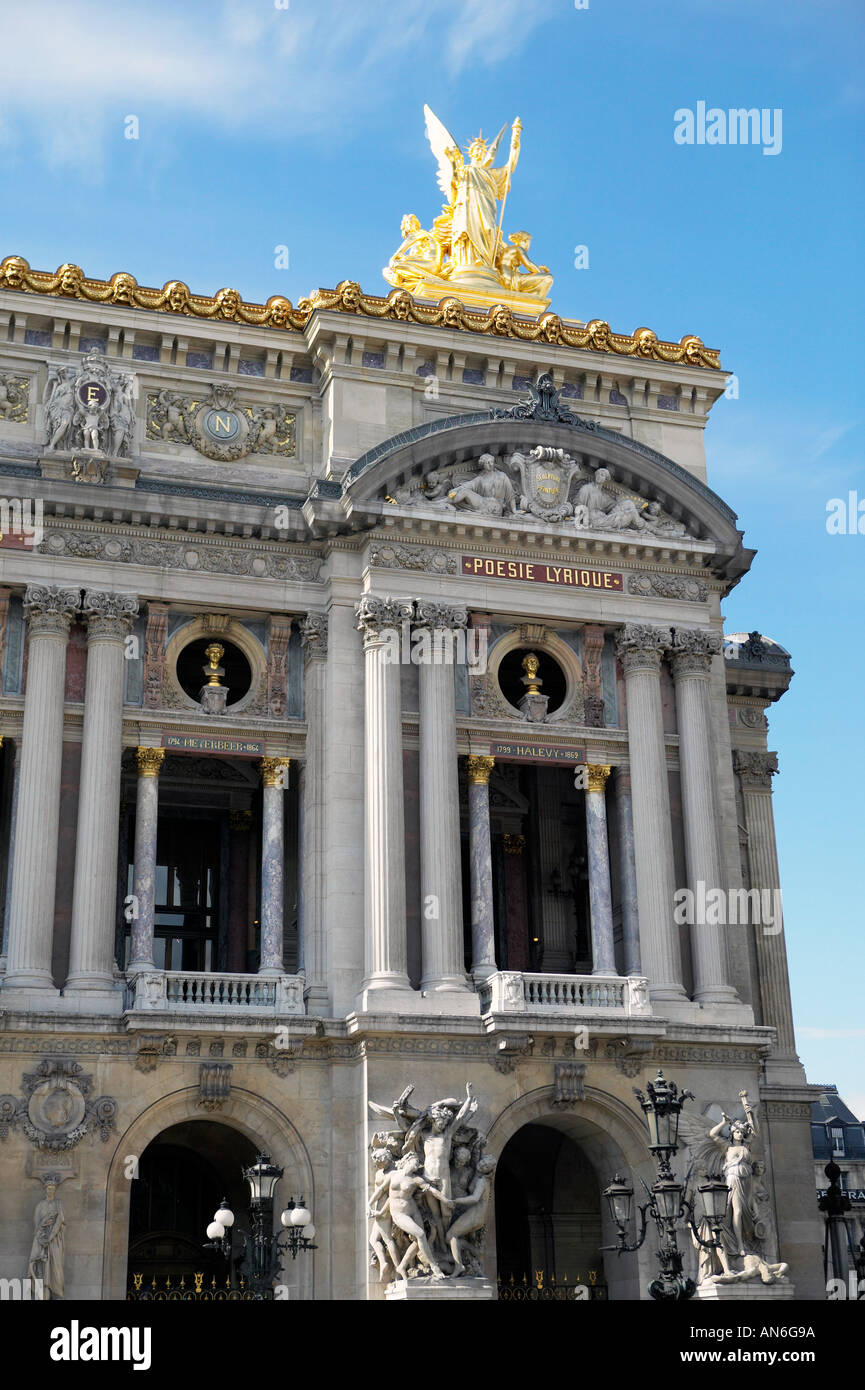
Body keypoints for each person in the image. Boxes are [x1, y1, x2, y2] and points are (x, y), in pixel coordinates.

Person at [27, 1179, 65, 1299]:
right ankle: (43, 1295)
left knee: (55, 1272)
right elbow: (36, 1224)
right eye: (49, 1188)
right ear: (45, 1189)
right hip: (41, 1242)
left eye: (53, 1188)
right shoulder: (40, 1205)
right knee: (41, 1271)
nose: (51, 1191)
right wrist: (43, 1227)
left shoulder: (58, 1204)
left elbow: (61, 1221)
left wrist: (51, 1235)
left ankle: (54, 1293)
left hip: (54, 1242)